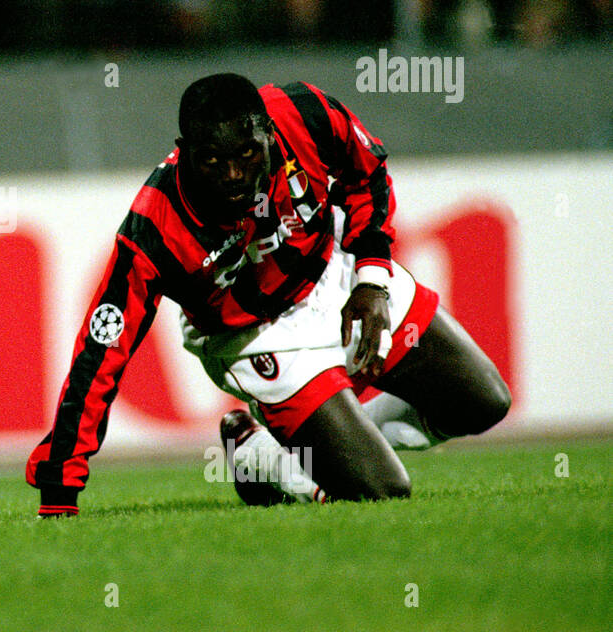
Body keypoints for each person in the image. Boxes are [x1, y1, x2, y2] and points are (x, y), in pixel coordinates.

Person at [26, 72, 511, 515]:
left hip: (336, 275)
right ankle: (269, 459)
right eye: (211, 161)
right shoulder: (155, 228)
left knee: (484, 402)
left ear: (268, 134)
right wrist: (60, 488)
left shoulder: (304, 113)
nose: (234, 175)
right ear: (183, 150)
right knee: (384, 493)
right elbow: (101, 353)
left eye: (247, 154)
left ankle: (301, 447)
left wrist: (371, 278)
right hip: (257, 337)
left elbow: (368, 174)